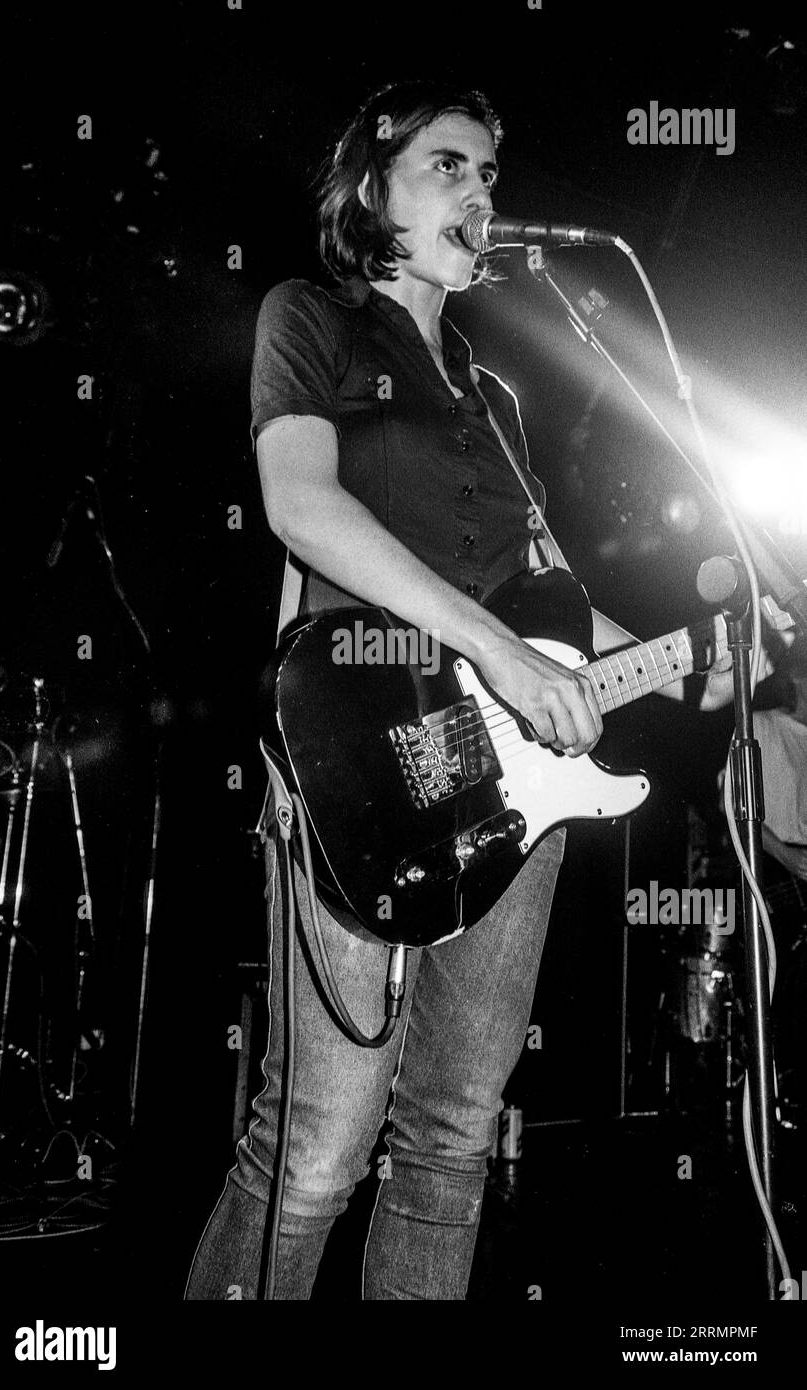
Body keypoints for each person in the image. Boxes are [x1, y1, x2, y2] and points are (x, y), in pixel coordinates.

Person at [185, 80, 737, 1301]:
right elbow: (302, 508)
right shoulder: (313, 317)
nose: (479, 193)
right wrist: (495, 650)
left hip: (509, 790)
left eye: (488, 176)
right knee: (316, 1145)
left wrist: (696, 650)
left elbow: (546, 603)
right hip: (354, 759)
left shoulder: (496, 397)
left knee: (447, 1140)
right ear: (369, 188)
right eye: (449, 166)